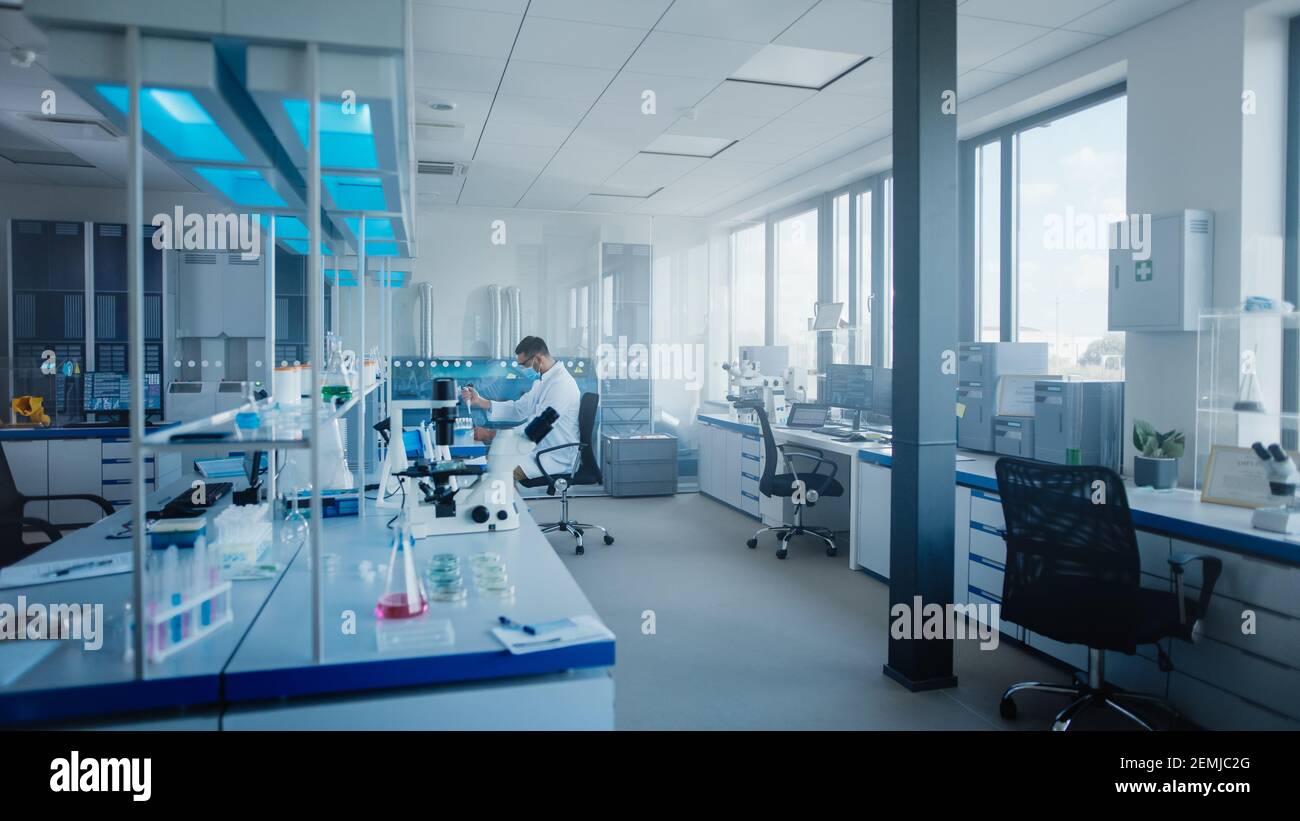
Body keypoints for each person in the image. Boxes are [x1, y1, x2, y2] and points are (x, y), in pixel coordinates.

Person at [460, 336, 581, 483]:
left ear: (537, 359)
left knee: (495, 471)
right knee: (490, 464)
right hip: (538, 449)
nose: (521, 369)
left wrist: (491, 434)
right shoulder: (543, 381)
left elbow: (536, 428)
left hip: (555, 455)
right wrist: (480, 401)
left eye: (523, 364)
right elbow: (518, 409)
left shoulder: (562, 385)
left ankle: (502, 506)